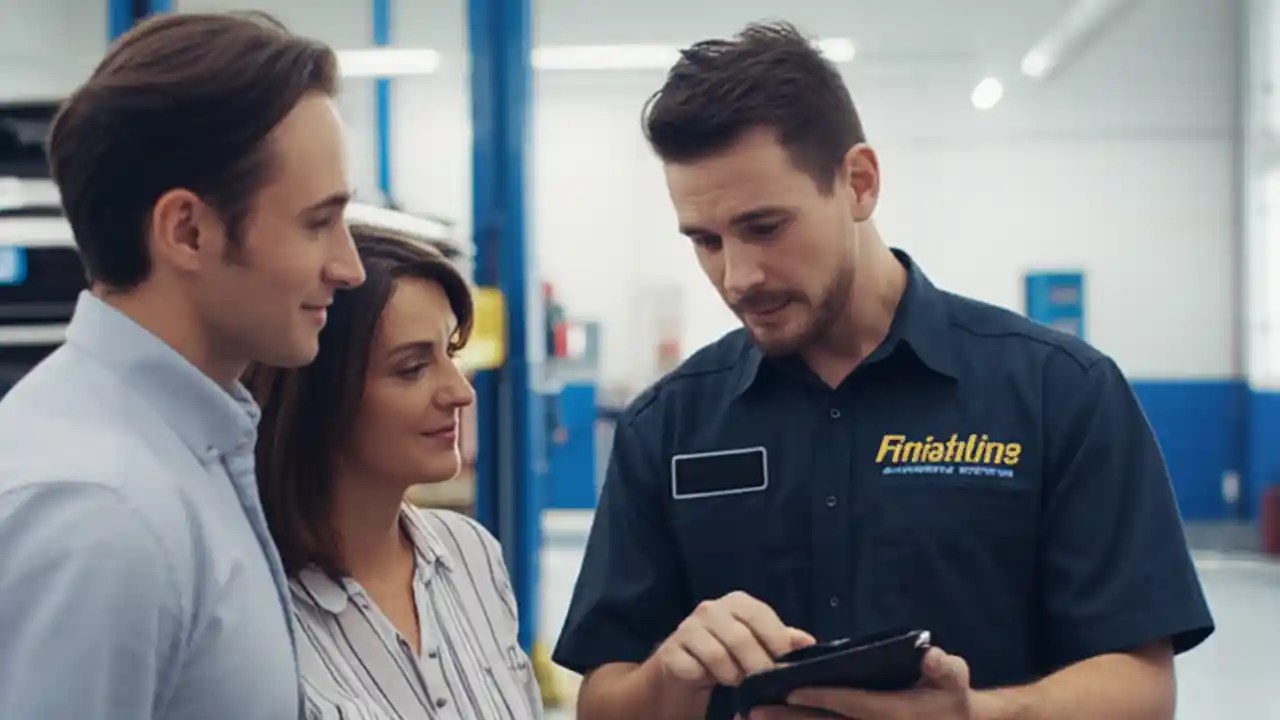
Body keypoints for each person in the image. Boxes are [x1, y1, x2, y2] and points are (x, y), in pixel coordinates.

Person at [553, 21, 1215, 720]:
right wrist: (672, 676)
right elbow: (604, 701)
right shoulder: (669, 425)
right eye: (706, 241)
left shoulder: (1060, 394)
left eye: (765, 227)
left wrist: (976, 715)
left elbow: (1142, 689)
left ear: (859, 183)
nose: (738, 276)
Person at [0, 12, 365, 720]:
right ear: (188, 231)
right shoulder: (100, 515)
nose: (348, 267)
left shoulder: (179, 455)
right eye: (317, 223)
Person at [244, 222, 542, 720]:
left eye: (450, 353)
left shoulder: (471, 555)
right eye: (411, 368)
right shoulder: (254, 609)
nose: (460, 392)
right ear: (319, 395)